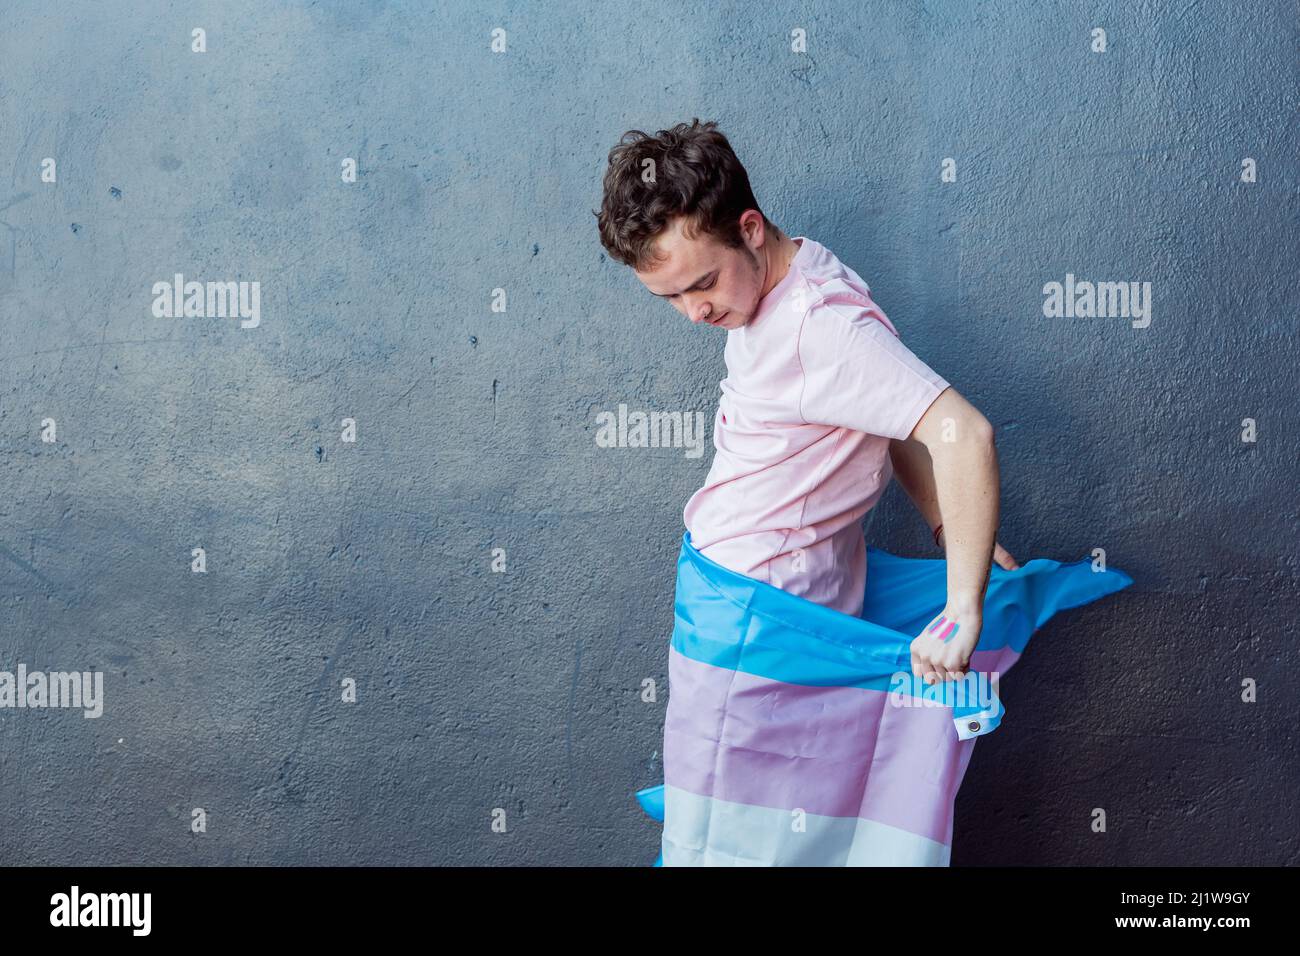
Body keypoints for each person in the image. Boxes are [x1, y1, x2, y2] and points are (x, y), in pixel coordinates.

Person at [596, 117, 1015, 687]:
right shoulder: (789, 279)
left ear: (749, 230)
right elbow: (884, 413)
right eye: (670, 296)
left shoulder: (818, 324)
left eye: (703, 283)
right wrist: (947, 527)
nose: (695, 312)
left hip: (765, 617)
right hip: (738, 604)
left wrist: (962, 608)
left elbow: (962, 435)